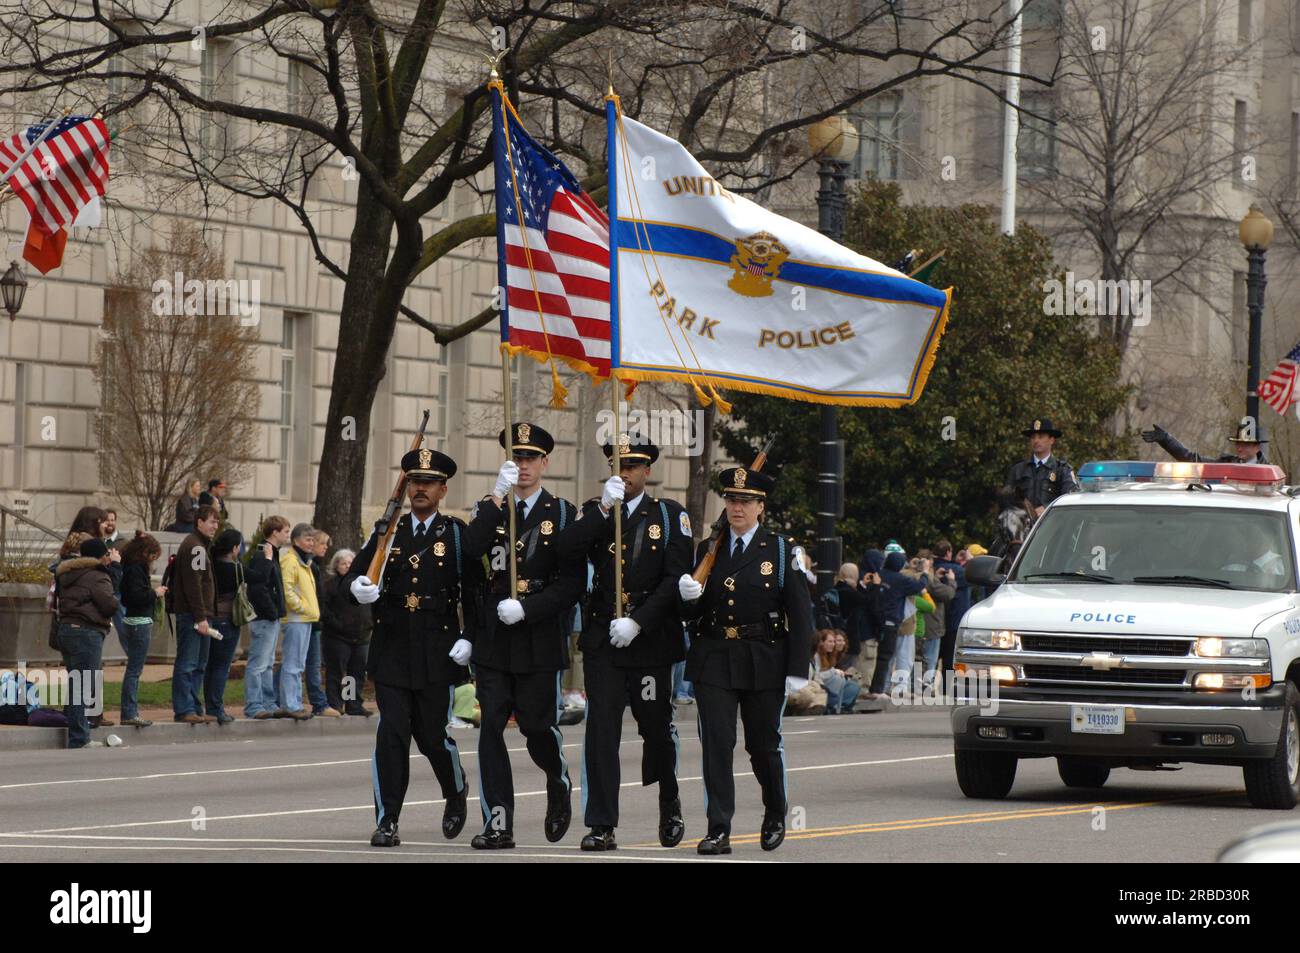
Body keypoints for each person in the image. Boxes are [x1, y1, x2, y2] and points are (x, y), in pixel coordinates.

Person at [562, 434, 692, 852]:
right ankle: (601, 823)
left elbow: (674, 578)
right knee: (601, 731)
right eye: (618, 465)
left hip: (649, 641)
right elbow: (567, 551)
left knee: (655, 728)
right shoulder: (595, 512)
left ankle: (669, 799)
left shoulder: (669, 516)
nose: (625, 472)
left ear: (647, 471)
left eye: (633, 466)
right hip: (604, 641)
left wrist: (637, 622)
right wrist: (603, 508)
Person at [678, 465, 814, 855]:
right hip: (715, 657)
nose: (737, 507)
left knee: (763, 745)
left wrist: (797, 670)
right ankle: (718, 828)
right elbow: (690, 613)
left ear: (761, 507)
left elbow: (800, 612)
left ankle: (774, 810)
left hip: (764, 658)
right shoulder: (709, 549)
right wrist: (687, 595)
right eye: (732, 500)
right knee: (716, 745)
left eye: (746, 501)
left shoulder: (782, 549)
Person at [462, 423, 584, 850]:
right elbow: (469, 552)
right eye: (517, 458)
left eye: (532, 458)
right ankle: (498, 823)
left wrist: (529, 608)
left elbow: (572, 584)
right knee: (490, 728)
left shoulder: (564, 514)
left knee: (536, 727)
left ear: (545, 463)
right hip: (495, 635)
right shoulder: (491, 508)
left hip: (538, 636)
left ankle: (557, 777)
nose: (525, 465)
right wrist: (496, 499)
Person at [347, 447, 472, 847]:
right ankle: (388, 819)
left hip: (438, 647)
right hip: (394, 646)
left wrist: (470, 638)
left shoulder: (455, 533)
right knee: (392, 734)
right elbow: (357, 575)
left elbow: (475, 591)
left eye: (429, 482)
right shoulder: (388, 529)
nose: (421, 488)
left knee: (433, 736)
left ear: (443, 489)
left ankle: (455, 792)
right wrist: (358, 588)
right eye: (415, 481)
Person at [56, 537, 119, 748]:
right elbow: (109, 604)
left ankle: (78, 731)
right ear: (101, 556)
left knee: (77, 683)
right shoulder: (98, 575)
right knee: (84, 686)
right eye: (107, 554)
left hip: (66, 629)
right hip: (87, 632)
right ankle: (79, 737)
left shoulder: (67, 573)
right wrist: (116, 569)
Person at [172, 505, 220, 724]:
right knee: (188, 664)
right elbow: (194, 584)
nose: (215, 526)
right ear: (199, 522)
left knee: (199, 664)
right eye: (211, 521)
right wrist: (200, 617)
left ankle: (194, 707)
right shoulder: (196, 548)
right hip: (193, 616)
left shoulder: (199, 546)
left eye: (217, 522)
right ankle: (185, 709)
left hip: (199, 615)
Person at [118, 532, 166, 727]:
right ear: (146, 553)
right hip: (139, 622)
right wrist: (155, 593)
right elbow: (136, 597)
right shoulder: (137, 570)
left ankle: (130, 710)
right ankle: (130, 711)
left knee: (133, 669)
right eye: (154, 556)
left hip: (132, 620)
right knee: (134, 670)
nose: (154, 561)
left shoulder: (130, 568)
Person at [244, 516, 289, 719]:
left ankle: (268, 702)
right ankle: (254, 704)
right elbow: (259, 586)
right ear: (275, 532)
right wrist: (271, 611)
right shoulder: (264, 555)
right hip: (264, 618)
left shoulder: (273, 554)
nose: (287, 535)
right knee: (258, 663)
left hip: (270, 617)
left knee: (268, 662)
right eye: (285, 531)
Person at [321, 548, 371, 717]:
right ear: (336, 565)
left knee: (355, 673)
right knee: (336, 672)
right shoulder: (330, 585)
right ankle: (335, 704)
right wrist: (338, 625)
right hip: (338, 637)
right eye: (343, 563)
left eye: (350, 563)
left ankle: (353, 704)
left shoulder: (362, 585)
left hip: (361, 637)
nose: (347, 566)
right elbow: (325, 610)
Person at [278, 523, 319, 720]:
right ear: (296, 541)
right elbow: (287, 590)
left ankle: (295, 702)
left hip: (305, 619)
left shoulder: (304, 562)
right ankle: (290, 704)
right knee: (292, 663)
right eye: (308, 539)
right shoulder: (291, 561)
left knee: (298, 664)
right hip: (296, 619)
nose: (312, 544)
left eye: (313, 540)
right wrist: (301, 608)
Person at [205, 528, 244, 724]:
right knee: (221, 666)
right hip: (227, 618)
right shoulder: (234, 569)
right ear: (235, 548)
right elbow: (257, 577)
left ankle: (207, 705)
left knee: (209, 664)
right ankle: (215, 707)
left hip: (211, 618)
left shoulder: (211, 565)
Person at [1006, 417, 1078, 518]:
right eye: (1033, 437)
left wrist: (1047, 507)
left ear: (1051, 440)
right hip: (1024, 528)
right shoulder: (1018, 470)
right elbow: (1007, 501)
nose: (1036, 440)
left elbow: (1071, 497)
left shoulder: (1062, 469)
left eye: (1041, 436)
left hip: (1052, 526)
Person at [302, 530, 340, 717]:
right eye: (322, 544)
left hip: (315, 620)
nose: (325, 548)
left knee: (307, 663)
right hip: (311, 619)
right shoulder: (310, 565)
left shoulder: (315, 566)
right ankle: (319, 703)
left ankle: (318, 701)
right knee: (310, 663)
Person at [1142, 420, 1269, 464]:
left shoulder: (1271, 473)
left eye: (1245, 445)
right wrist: (1166, 439)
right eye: (1238, 444)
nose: (1239, 448)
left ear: (1257, 447)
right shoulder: (1227, 464)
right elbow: (1191, 459)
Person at [813, 629, 860, 714]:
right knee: (838, 679)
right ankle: (832, 706)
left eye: (834, 642)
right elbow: (816, 676)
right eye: (830, 641)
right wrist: (833, 671)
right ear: (822, 642)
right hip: (821, 686)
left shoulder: (832, 655)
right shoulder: (816, 656)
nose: (833, 644)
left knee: (853, 685)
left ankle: (842, 706)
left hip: (832, 686)